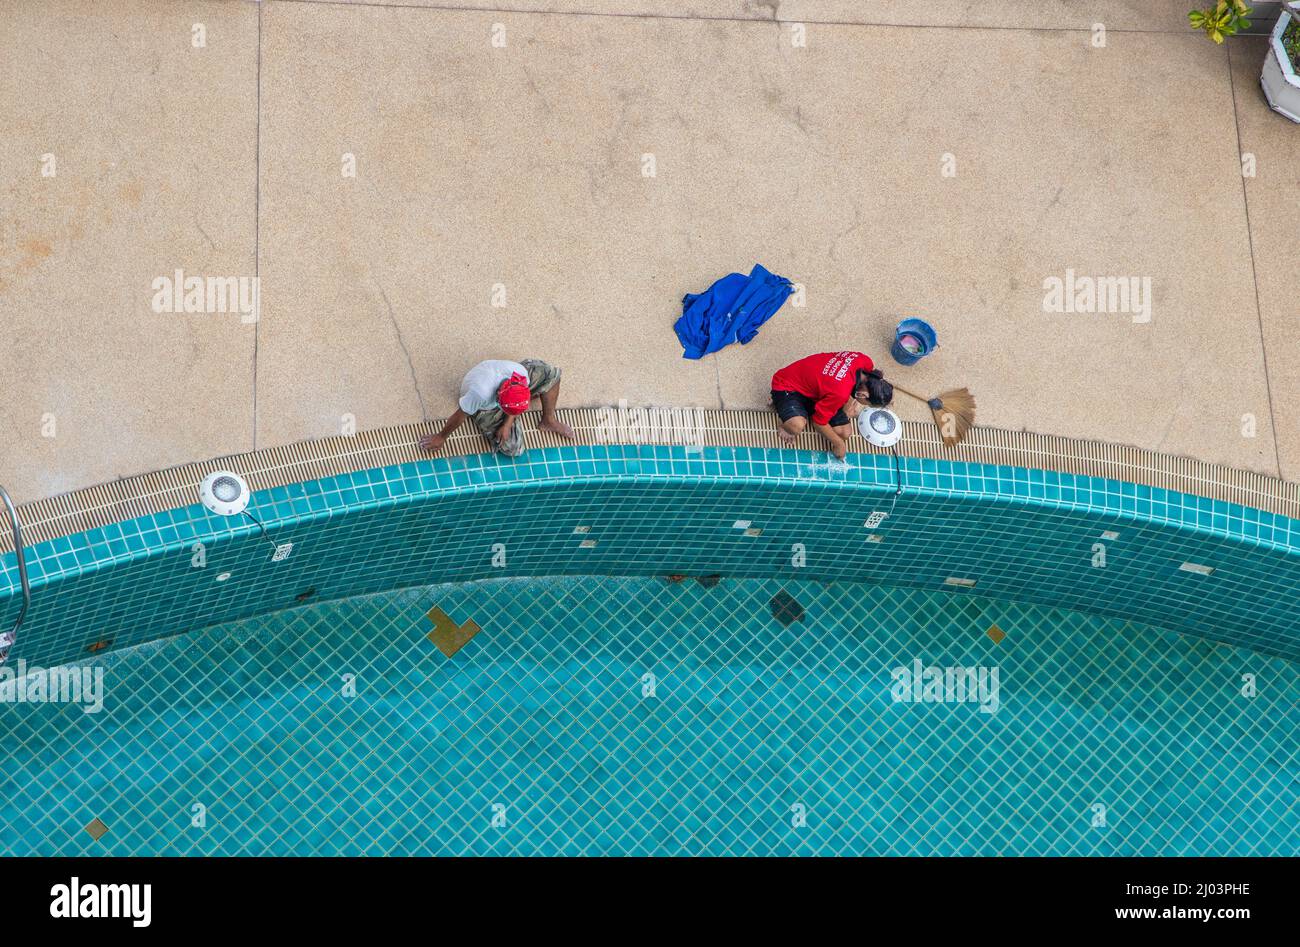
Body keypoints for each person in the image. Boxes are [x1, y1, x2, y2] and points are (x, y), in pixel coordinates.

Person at [419, 358, 575, 457]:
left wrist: (507, 424)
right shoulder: (480, 394)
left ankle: (548, 420)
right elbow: (460, 415)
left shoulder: (520, 375)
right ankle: (503, 413)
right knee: (513, 448)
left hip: (507, 389)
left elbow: (516, 400)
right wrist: (441, 437)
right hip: (484, 404)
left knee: (552, 375)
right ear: (499, 398)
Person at [770, 351, 894, 459]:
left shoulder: (865, 361)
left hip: (817, 389)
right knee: (795, 427)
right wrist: (839, 444)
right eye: (868, 404)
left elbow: (844, 383)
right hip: (786, 385)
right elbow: (818, 422)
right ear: (862, 395)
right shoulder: (840, 393)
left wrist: (847, 407)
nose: (865, 405)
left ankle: (804, 409)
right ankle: (781, 415)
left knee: (844, 432)